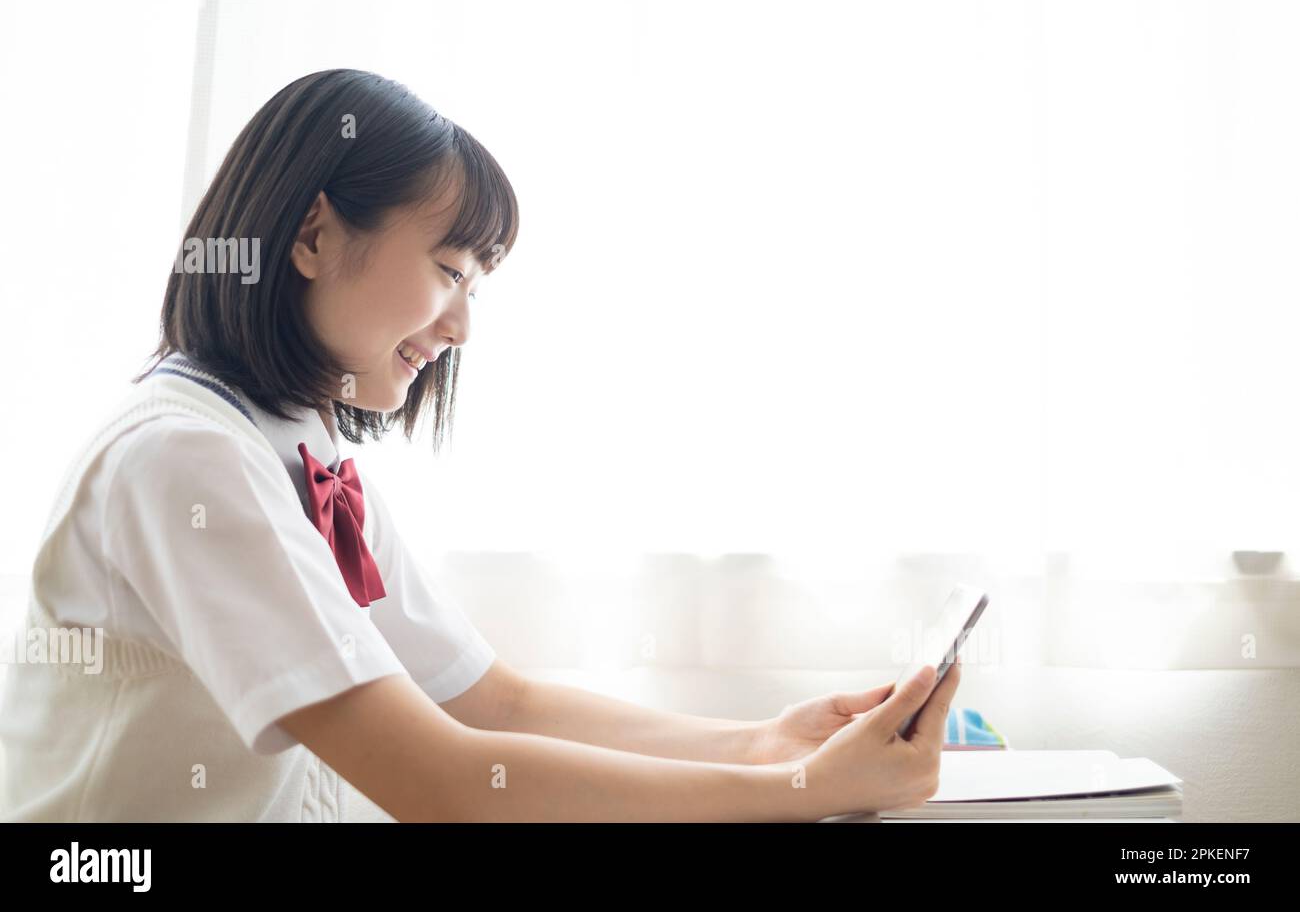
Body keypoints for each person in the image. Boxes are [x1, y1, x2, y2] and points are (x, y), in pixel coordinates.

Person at [0, 68, 959, 821]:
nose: (461, 327)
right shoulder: (182, 461)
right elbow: (449, 787)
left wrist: (768, 745)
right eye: (450, 269)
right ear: (312, 235)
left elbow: (492, 704)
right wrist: (801, 795)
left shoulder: (298, 448)